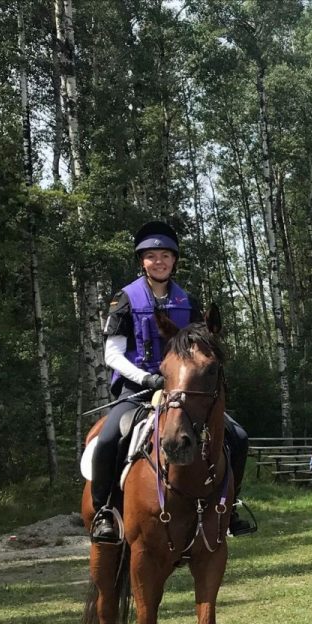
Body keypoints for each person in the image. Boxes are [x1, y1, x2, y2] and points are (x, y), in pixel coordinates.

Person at [89, 221, 252, 544]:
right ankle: (104, 510)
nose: (159, 261)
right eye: (151, 256)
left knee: (238, 436)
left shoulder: (187, 301)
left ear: (174, 260)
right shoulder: (125, 298)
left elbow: (200, 348)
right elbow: (112, 354)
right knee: (108, 439)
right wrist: (147, 377)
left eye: (165, 255)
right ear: (142, 261)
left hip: (183, 389)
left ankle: (230, 505)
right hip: (138, 388)